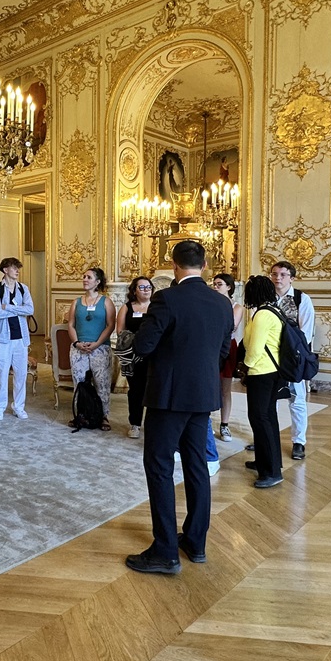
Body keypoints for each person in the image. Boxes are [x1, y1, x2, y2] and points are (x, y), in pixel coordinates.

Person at [125, 240, 233, 575]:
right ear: (204, 265)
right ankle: (196, 542)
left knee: (158, 467)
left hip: (168, 397)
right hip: (203, 395)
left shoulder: (166, 298)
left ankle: (165, 551)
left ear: (174, 266)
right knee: (196, 465)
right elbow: (223, 351)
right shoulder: (222, 303)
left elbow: (143, 344)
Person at [241, 274, 285, 489]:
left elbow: (256, 348)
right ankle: (265, 462)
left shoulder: (262, 315)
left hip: (262, 372)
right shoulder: (271, 311)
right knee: (267, 417)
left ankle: (271, 471)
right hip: (270, 371)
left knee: (260, 418)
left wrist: (247, 366)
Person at [269, 260, 315, 460]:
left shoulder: (301, 299)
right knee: (269, 400)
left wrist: (291, 352)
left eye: (282, 275)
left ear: (292, 278)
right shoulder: (267, 298)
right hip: (269, 357)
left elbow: (306, 332)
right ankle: (267, 438)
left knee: (296, 399)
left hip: (293, 357)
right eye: (274, 274)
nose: (277, 278)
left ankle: (298, 442)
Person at [64, 267, 114, 431]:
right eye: (84, 276)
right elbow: (70, 325)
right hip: (79, 348)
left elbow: (110, 325)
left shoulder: (105, 302)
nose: (85, 279)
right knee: (79, 383)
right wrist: (77, 342)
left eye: (89, 277)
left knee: (102, 384)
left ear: (97, 282)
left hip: (100, 348)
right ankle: (81, 415)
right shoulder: (76, 302)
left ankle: (103, 416)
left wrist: (98, 343)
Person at [0, 257, 34, 420]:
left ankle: (18, 406)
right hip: (3, 337)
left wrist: (7, 307)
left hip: (21, 337)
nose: (17, 271)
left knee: (20, 374)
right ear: (5, 270)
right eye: (14, 268)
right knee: (1, 373)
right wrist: (18, 309)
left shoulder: (23, 288)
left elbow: (30, 309)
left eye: (18, 268)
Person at [116, 276, 155, 439]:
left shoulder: (157, 307)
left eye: (148, 287)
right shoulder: (127, 307)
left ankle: (153, 425)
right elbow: (120, 332)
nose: (146, 290)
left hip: (154, 355)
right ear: (134, 290)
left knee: (154, 391)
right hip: (133, 356)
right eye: (142, 287)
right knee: (136, 391)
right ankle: (135, 423)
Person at [213, 273, 245, 442]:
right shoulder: (210, 303)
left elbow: (231, 327)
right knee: (209, 385)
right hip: (210, 345)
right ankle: (206, 421)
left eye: (219, 284)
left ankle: (224, 424)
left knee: (225, 388)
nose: (215, 287)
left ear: (229, 287)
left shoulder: (236, 306)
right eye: (214, 284)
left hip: (227, 346)